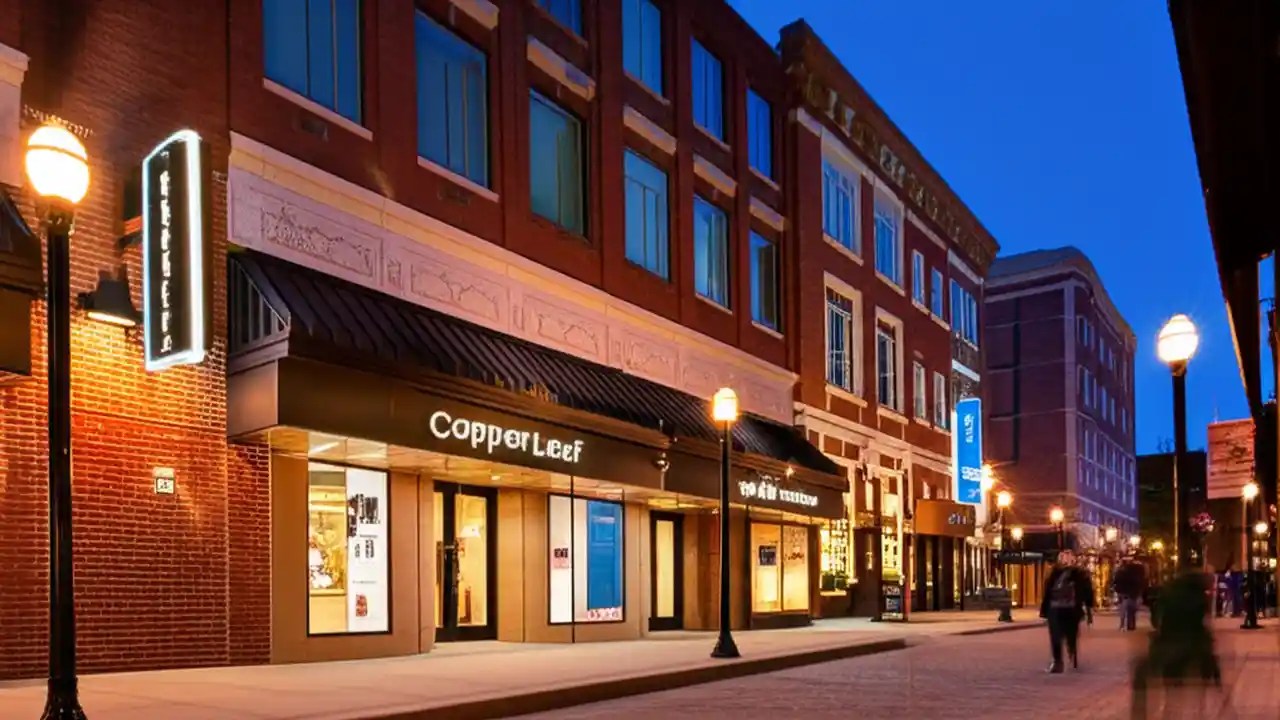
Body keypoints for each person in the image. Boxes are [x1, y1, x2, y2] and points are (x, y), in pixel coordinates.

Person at [1040, 549, 1094, 674]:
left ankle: (1071, 650)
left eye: (1069, 557)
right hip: (1055, 608)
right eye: (1064, 557)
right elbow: (1047, 591)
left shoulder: (1079, 574)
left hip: (1072, 608)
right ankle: (1057, 661)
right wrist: (1045, 609)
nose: (1066, 560)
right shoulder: (1054, 573)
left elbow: (1087, 591)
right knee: (1055, 635)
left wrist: (1088, 605)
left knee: (1071, 634)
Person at [1113, 559, 1145, 631]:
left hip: (1123, 593)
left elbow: (1115, 581)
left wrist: (1117, 589)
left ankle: (1122, 625)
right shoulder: (1135, 573)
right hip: (1132, 593)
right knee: (1132, 610)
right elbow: (1138, 583)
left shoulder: (1120, 572)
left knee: (1123, 610)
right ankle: (1131, 625)